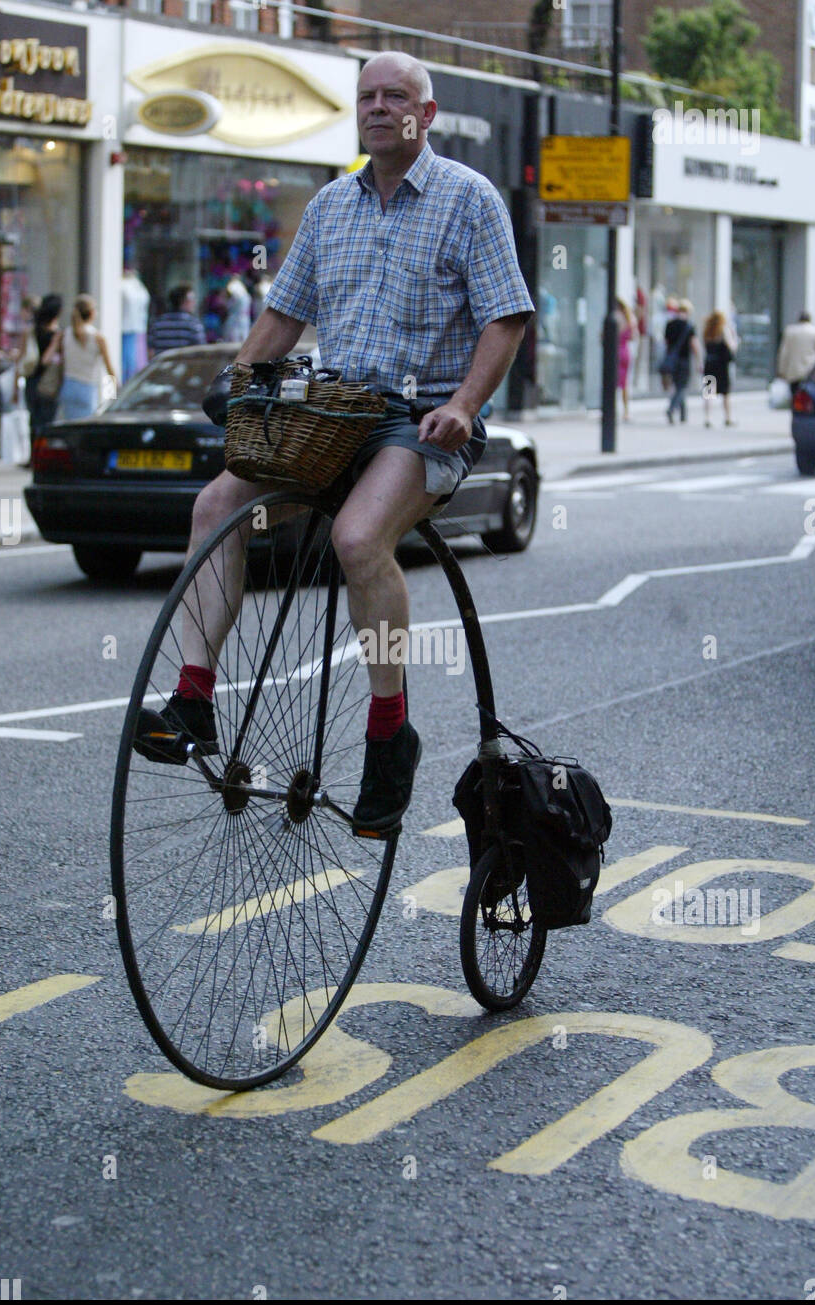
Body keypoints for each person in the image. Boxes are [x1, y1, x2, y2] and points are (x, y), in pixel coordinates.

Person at [134, 50, 535, 832]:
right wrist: (242, 380)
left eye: (396, 96)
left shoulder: (469, 199)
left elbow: (506, 316)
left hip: (419, 422)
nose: (379, 107)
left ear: (428, 111)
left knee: (356, 537)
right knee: (217, 506)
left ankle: (389, 733)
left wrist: (462, 403)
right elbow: (284, 313)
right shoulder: (328, 207)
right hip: (330, 417)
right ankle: (192, 698)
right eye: (367, 97)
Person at [54, 295, 117, 421]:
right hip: (87, 388)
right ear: (92, 313)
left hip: (68, 385)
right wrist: (112, 396)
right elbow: (109, 369)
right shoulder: (98, 337)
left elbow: (61, 362)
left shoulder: (65, 334)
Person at [24, 293, 63, 438]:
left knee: (34, 421)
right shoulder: (59, 335)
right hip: (50, 383)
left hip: (32, 380)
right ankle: (40, 455)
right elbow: (46, 360)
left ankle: (34, 455)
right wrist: (112, 396)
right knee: (46, 423)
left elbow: (21, 358)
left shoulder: (32, 330)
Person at [662, 299, 702, 424]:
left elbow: (666, 342)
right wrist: (699, 361)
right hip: (684, 360)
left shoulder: (670, 324)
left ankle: (683, 414)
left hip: (671, 360)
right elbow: (694, 344)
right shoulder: (689, 326)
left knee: (678, 386)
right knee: (681, 387)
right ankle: (671, 408)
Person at [147, 283, 206, 359]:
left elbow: (150, 352)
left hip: (162, 368)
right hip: (186, 369)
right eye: (192, 300)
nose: (194, 303)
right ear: (184, 302)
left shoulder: (157, 323)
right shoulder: (193, 324)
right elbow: (201, 352)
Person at [776, 311, 815, 396]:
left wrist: (781, 371)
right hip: (810, 370)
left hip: (793, 371)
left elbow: (784, 353)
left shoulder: (790, 331)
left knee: (795, 396)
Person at [701, 310, 737, 427]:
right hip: (722, 366)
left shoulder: (707, 332)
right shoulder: (723, 331)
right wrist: (735, 338)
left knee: (709, 393)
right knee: (725, 393)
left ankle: (708, 418)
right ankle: (728, 417)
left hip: (710, 365)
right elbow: (732, 347)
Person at [615, 296, 637, 422]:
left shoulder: (615, 317)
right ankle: (626, 411)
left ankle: (610, 409)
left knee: (612, 383)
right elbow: (634, 336)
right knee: (624, 384)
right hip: (625, 351)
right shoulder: (629, 319)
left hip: (614, 352)